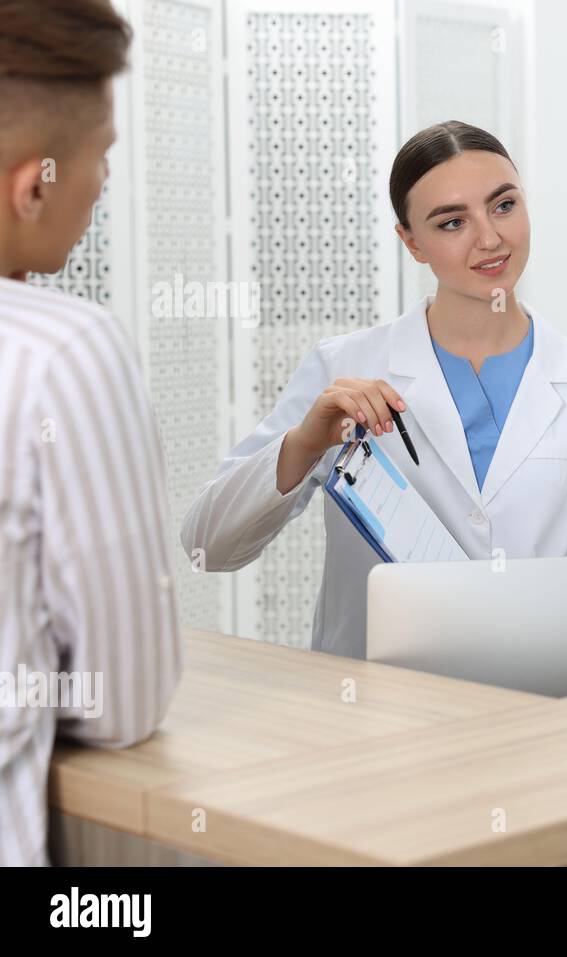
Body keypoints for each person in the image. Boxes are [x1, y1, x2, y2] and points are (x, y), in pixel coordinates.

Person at [183, 121, 567, 658]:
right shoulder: (343, 366)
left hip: (532, 697)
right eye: (451, 222)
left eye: (504, 205)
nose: (489, 238)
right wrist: (305, 443)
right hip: (375, 698)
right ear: (411, 242)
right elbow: (207, 546)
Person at [0, 0, 182, 866]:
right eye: (101, 156)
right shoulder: (58, 349)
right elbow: (122, 700)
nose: (102, 181)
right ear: (31, 184)